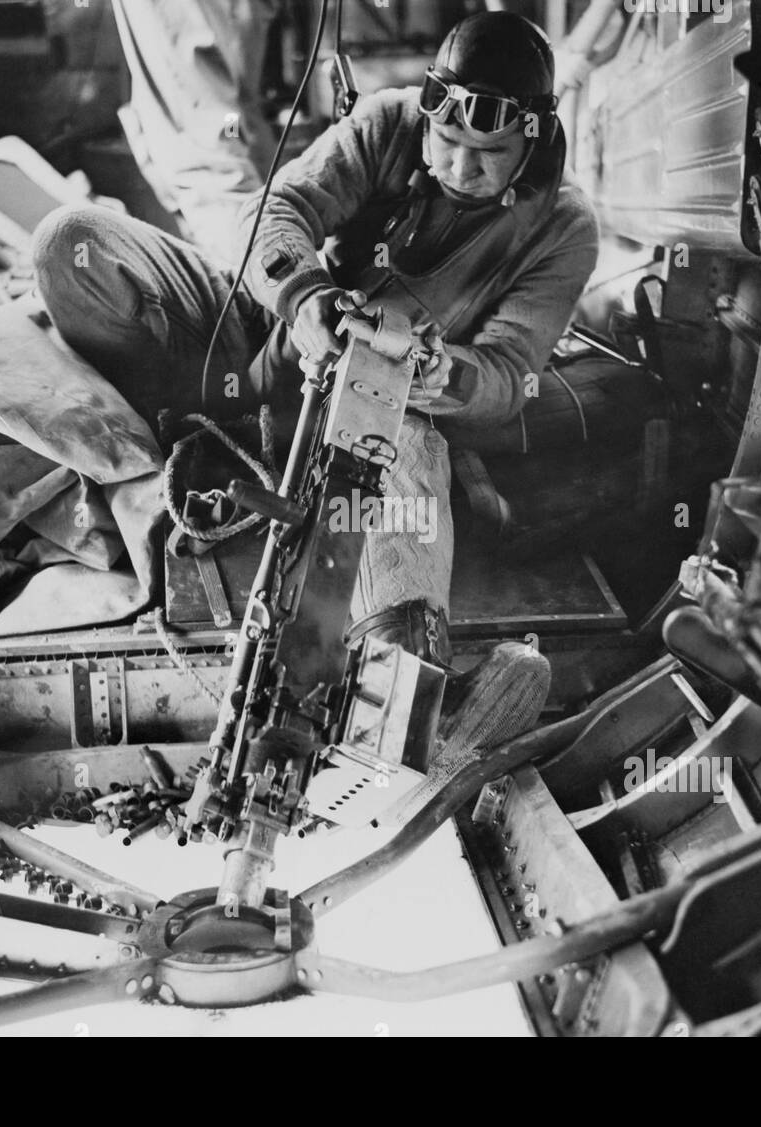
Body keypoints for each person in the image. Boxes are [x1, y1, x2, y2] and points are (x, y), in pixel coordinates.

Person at [32, 11, 600, 813]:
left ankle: (403, 714)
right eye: (446, 141)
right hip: (265, 342)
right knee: (74, 243)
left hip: (388, 404)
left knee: (399, 438)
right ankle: (202, 428)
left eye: (488, 154)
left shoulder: (564, 228)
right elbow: (274, 212)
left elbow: (509, 375)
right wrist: (303, 296)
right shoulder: (390, 124)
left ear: (533, 142)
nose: (457, 165)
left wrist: (441, 372)